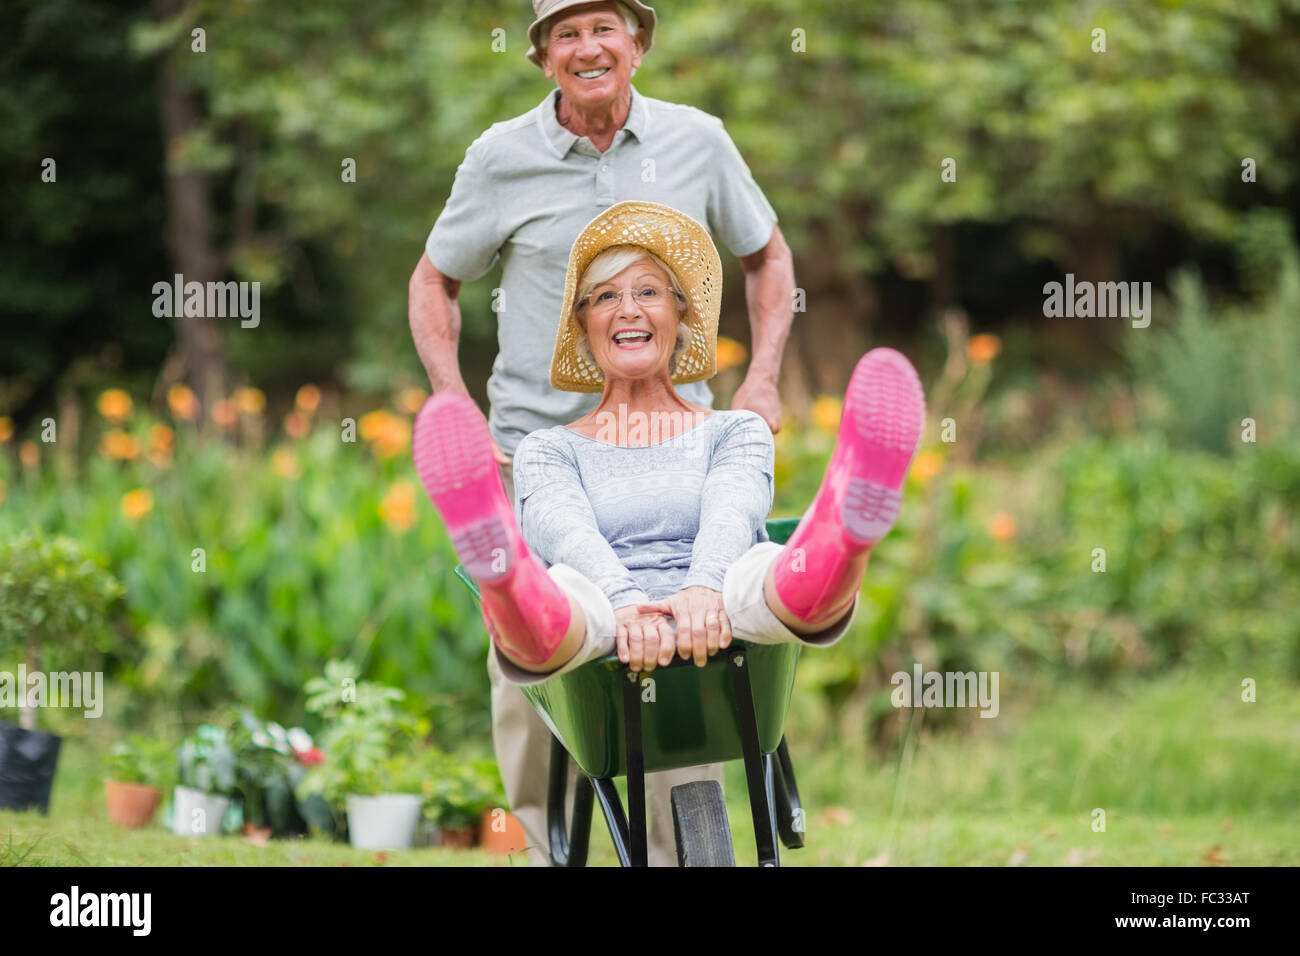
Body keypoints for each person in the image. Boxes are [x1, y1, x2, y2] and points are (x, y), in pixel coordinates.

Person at [411, 202, 926, 864]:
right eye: (605, 297)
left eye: (648, 292)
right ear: (584, 326)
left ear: (680, 317)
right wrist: (626, 602)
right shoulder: (548, 449)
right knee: (561, 584)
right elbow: (567, 531)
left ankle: (849, 524)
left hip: (719, 598)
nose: (627, 308)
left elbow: (732, 507)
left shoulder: (731, 429)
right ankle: (501, 568)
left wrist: (703, 587)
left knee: (765, 564)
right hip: (603, 610)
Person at [409, 0, 795, 866]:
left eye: (604, 29)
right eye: (566, 33)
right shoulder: (500, 158)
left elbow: (767, 253)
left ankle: (666, 849)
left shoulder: (696, 140)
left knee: (675, 637)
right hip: (537, 449)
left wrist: (762, 373)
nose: (588, 48)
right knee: (538, 662)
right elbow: (434, 279)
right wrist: (451, 400)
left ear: (638, 43)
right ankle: (556, 851)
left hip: (671, 454)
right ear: (543, 56)